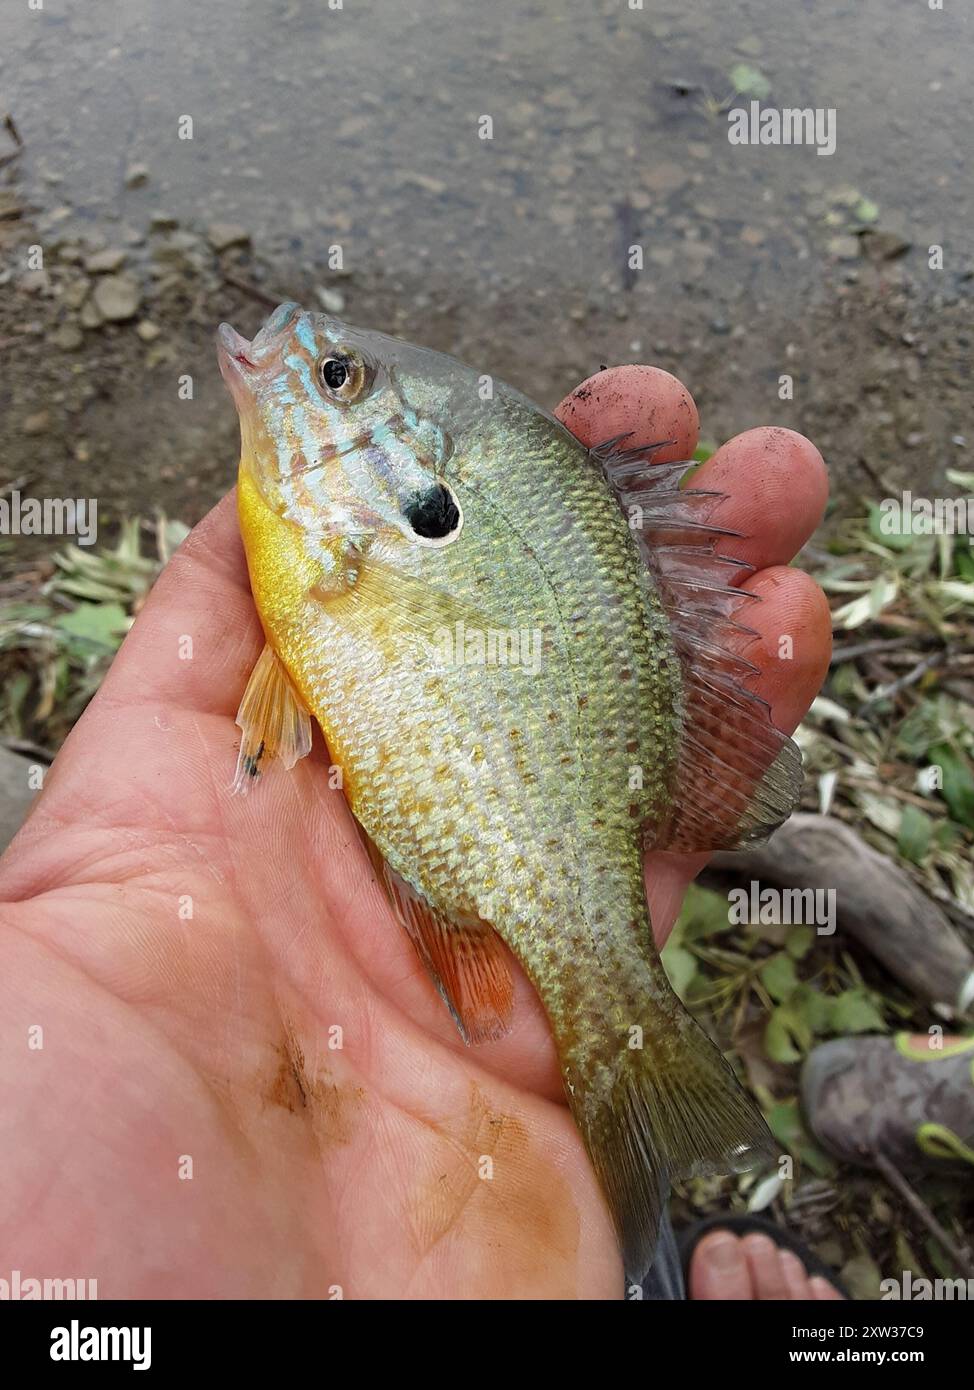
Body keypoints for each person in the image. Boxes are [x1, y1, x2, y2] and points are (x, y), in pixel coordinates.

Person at [0, 362, 835, 1299]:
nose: (299, 365)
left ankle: (648, 1190)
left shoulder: (336, 536)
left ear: (410, 470)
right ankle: (652, 1234)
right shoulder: (334, 525)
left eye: (336, 377)